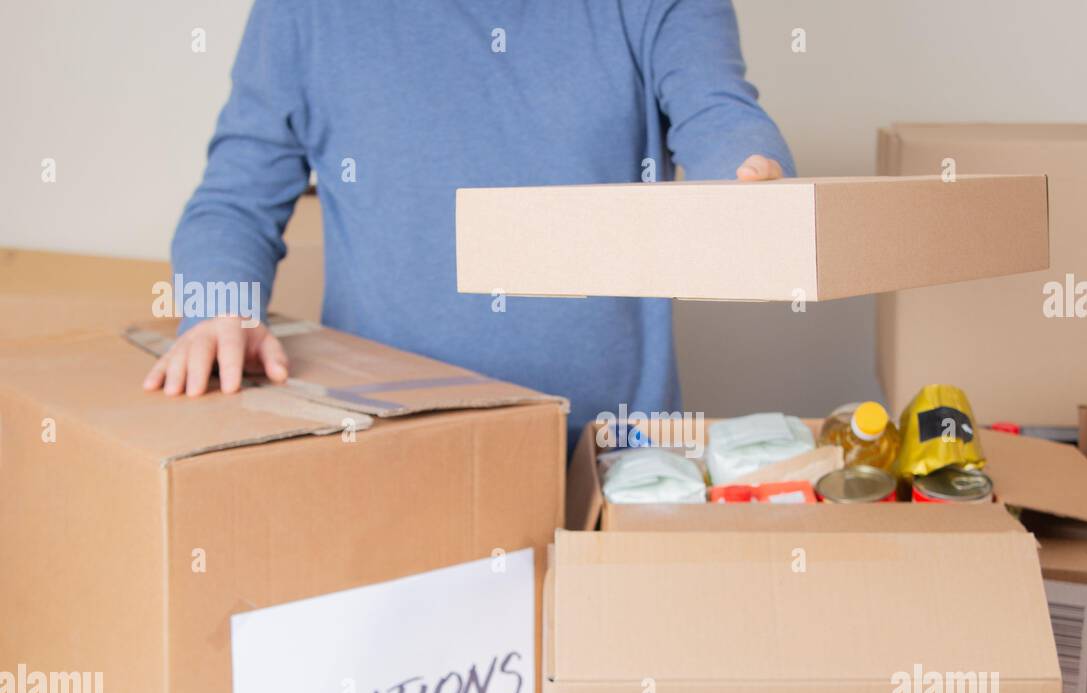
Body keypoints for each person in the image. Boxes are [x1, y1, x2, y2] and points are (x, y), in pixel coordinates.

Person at [144, 0, 794, 449]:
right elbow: (235, 198)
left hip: (618, 454)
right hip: (392, 447)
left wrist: (749, 178)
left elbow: (719, 113)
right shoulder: (305, 13)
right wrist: (218, 310)